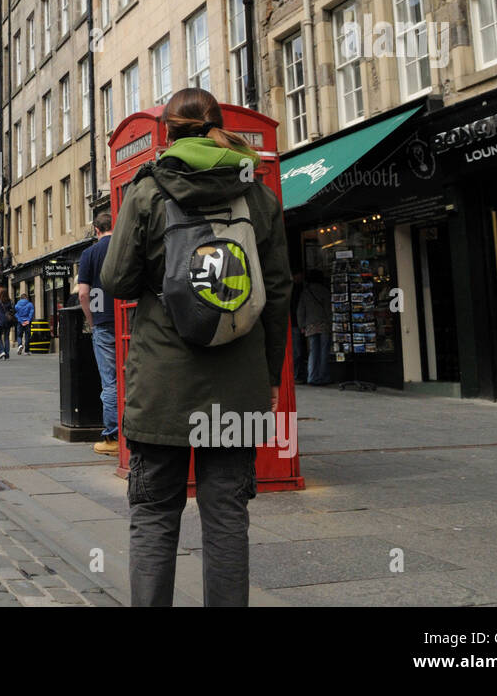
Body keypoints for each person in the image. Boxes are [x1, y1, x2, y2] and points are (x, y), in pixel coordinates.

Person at [101, 88, 291, 608]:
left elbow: (117, 279)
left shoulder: (147, 190)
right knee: (227, 517)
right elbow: (277, 294)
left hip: (162, 384)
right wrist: (270, 377)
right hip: (238, 383)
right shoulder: (258, 194)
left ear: (168, 133)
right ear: (218, 125)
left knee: (155, 516)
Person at [79, 212, 118, 456]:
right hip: (131, 320)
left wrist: (92, 321)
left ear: (96, 229)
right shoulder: (126, 246)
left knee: (110, 381)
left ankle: (113, 437)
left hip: (103, 321)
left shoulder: (90, 254)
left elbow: (84, 294)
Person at [297, 269, 332, 386]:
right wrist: (331, 322)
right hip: (324, 324)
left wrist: (301, 325)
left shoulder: (305, 292)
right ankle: (323, 376)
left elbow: (300, 310)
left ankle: (312, 377)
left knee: (313, 352)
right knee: (324, 351)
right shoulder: (324, 291)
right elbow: (328, 309)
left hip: (310, 325)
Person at [0, 285, 15, 360]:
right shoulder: (10, 301)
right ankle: (7, 354)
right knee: (6, 337)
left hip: (0, 321)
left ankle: (2, 351)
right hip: (8, 321)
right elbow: (13, 310)